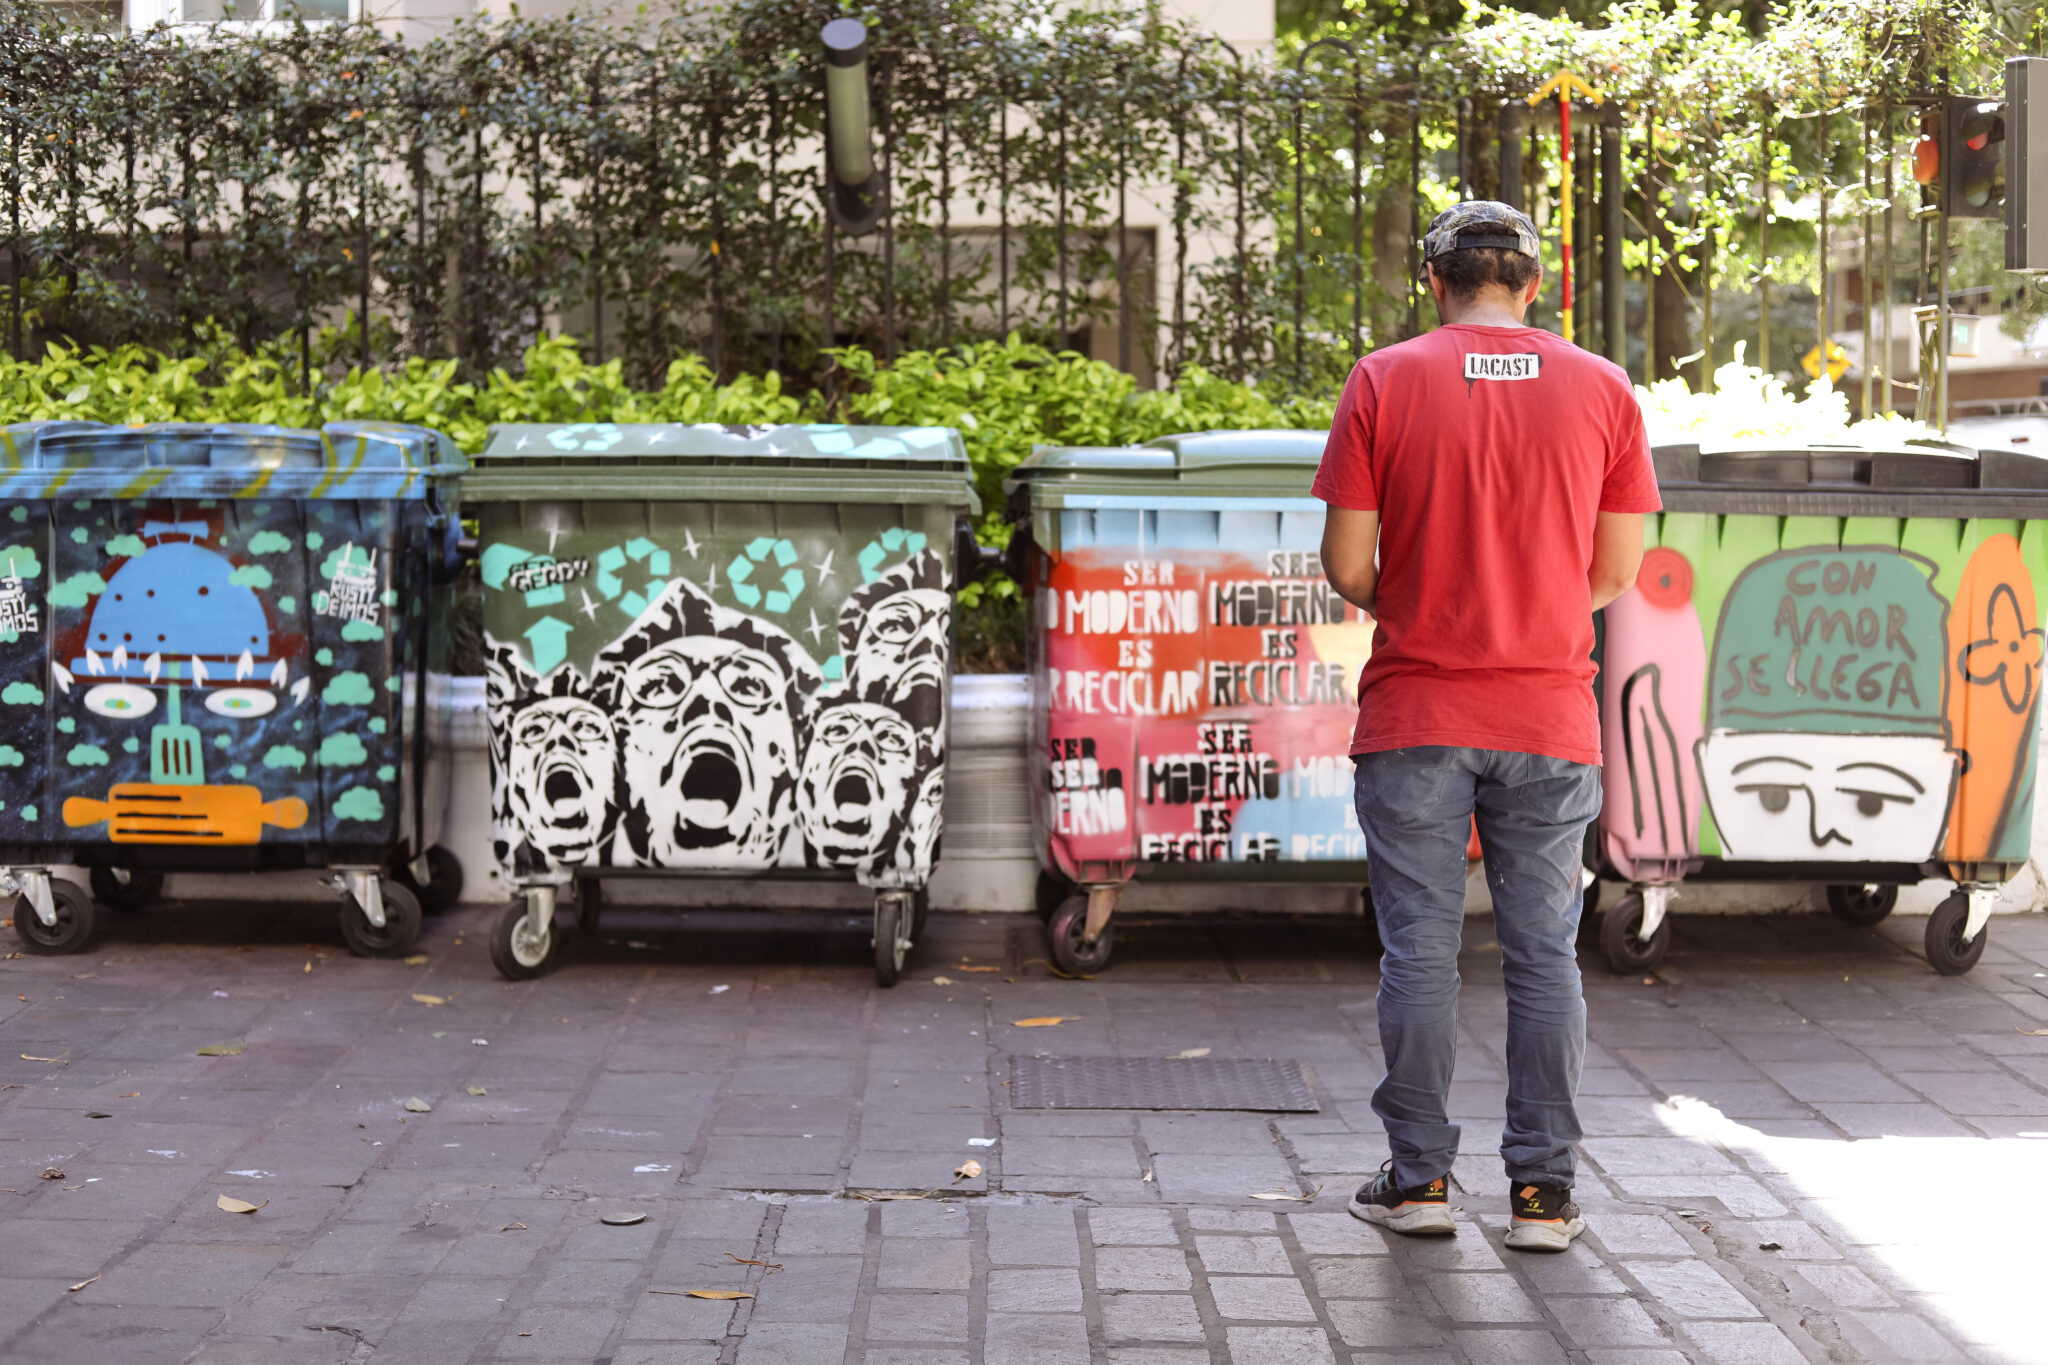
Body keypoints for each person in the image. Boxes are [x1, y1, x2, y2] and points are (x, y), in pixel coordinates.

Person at [1313, 202, 1660, 1253]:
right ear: (1530, 283)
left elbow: (1346, 567)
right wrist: (1531, 613)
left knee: (1417, 951)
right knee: (1543, 956)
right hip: (1547, 714)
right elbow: (1614, 570)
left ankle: (1418, 1184)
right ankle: (1541, 1200)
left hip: (1416, 708)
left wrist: (1428, 604)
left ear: (1434, 282)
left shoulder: (1382, 380)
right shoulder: (1602, 390)